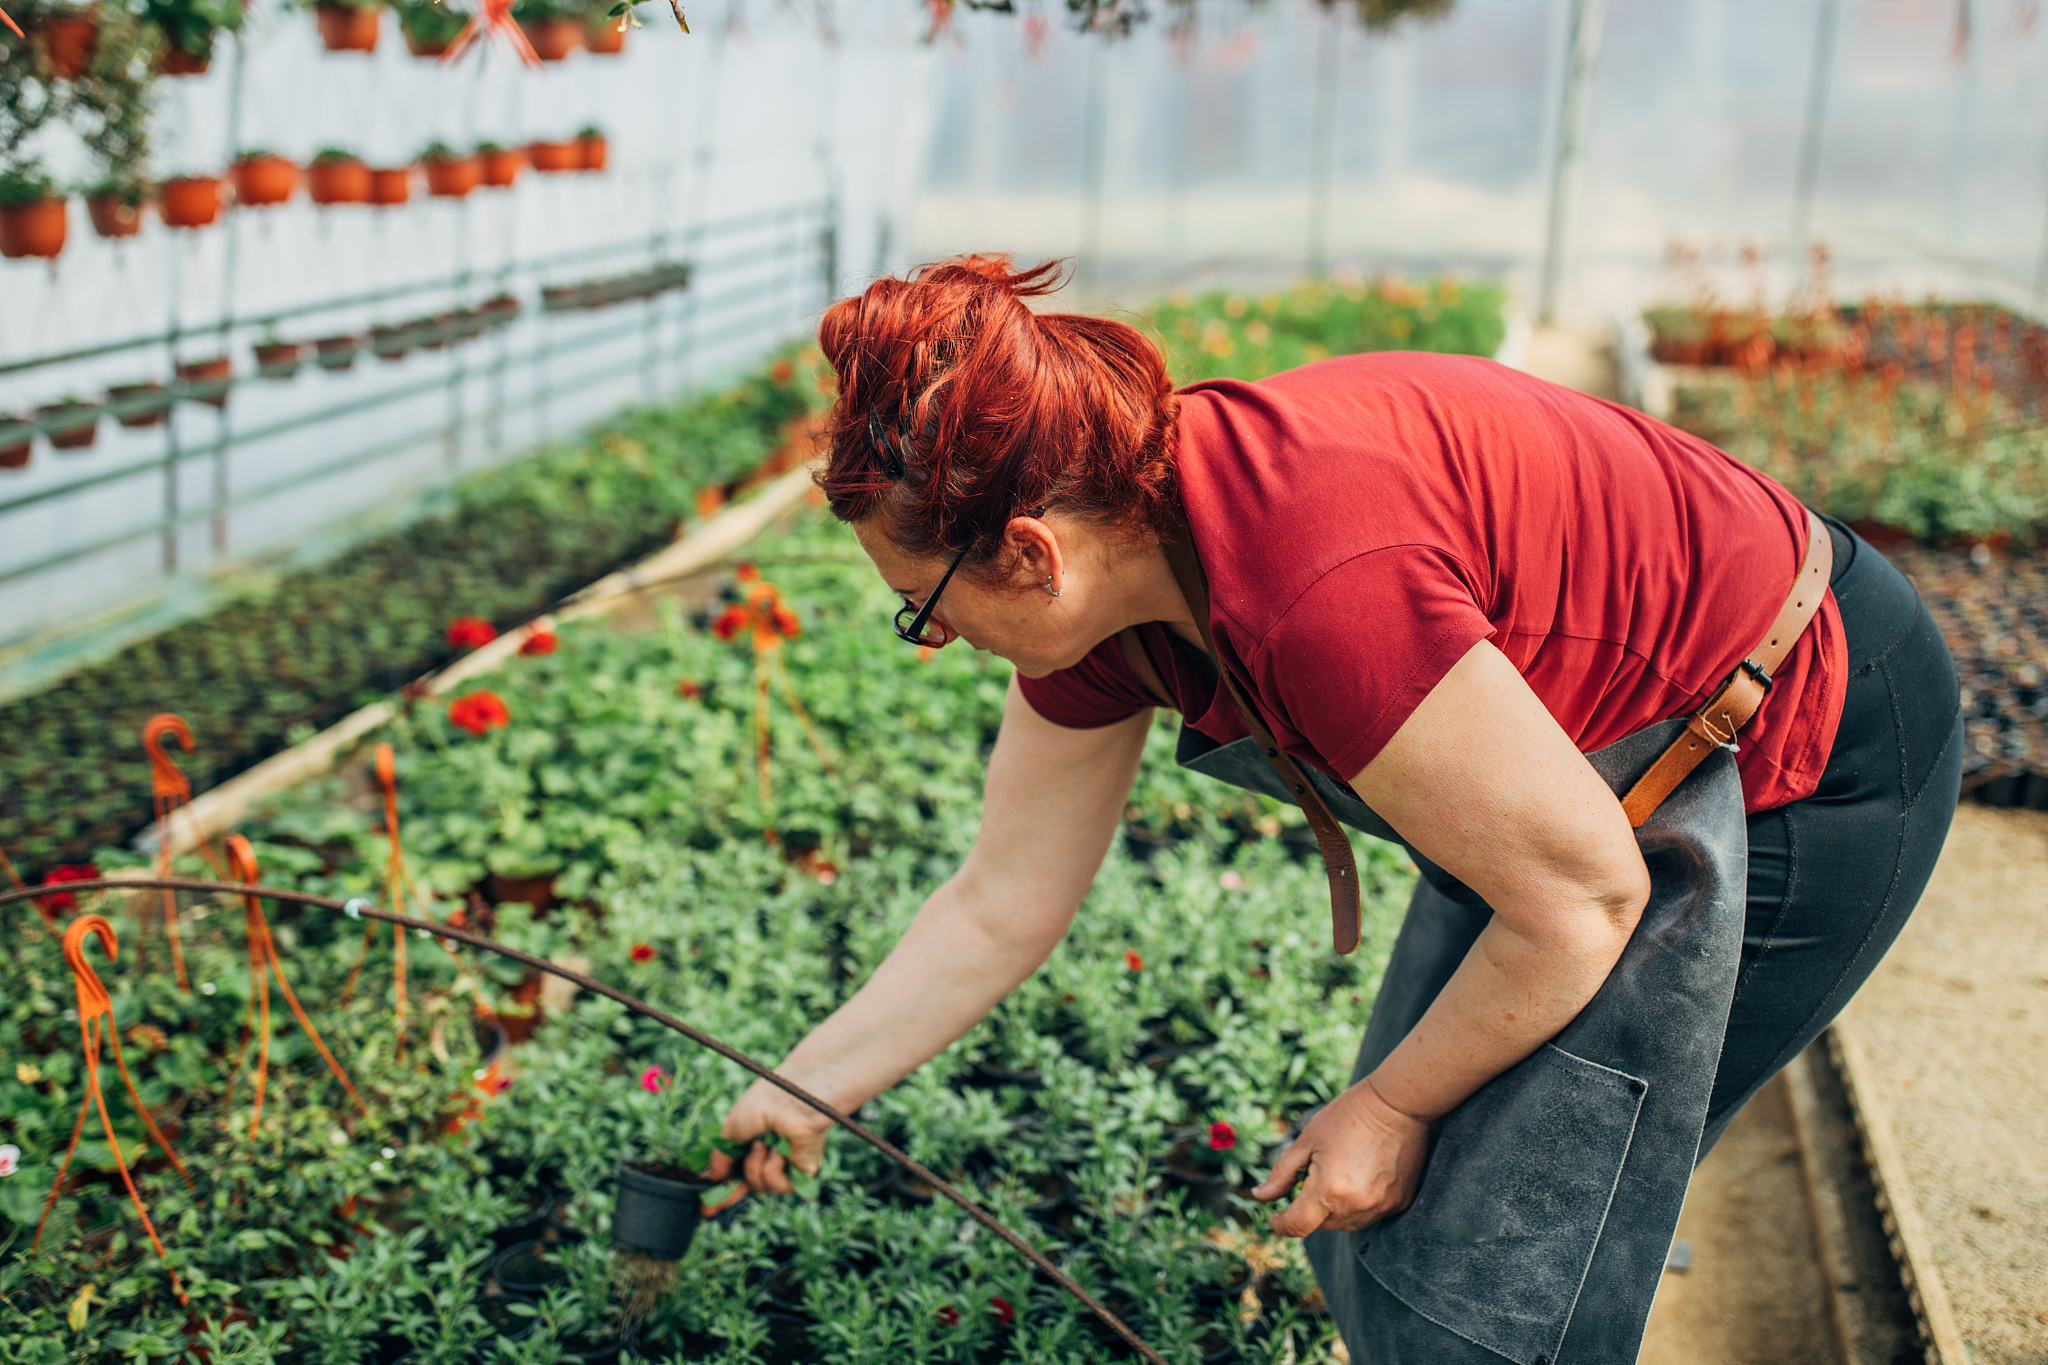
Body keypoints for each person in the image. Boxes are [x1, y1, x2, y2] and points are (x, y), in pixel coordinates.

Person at [706, 256, 1963, 1358]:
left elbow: (1582, 900)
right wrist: (808, 1083)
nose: (935, 641)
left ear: (1029, 553)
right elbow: (999, 899)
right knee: (1403, 1225)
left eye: (925, 612)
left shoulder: (1321, 583)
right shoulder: (1106, 586)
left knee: (1508, 1261)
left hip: (1801, 753)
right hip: (1582, 807)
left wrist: (1394, 1105)